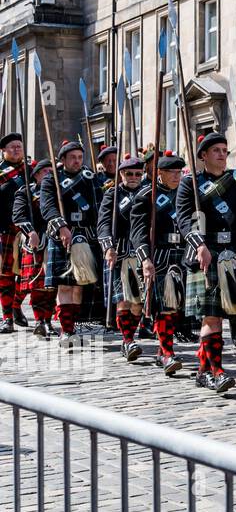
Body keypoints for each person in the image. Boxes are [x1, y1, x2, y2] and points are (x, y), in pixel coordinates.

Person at [176, 133, 236, 389]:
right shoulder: (190, 184)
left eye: (225, 150)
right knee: (211, 317)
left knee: (232, 315)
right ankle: (216, 371)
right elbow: (184, 219)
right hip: (207, 251)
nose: (221, 154)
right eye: (215, 150)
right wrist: (199, 245)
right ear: (203, 155)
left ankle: (204, 370)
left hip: (235, 254)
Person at [39, 139, 102, 349]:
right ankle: (66, 331)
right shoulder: (52, 180)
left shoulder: (91, 179)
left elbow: (99, 206)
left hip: (86, 235)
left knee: (79, 287)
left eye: (79, 157)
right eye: (72, 157)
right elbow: (47, 206)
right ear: (63, 159)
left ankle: (73, 327)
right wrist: (61, 226)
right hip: (62, 236)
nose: (77, 161)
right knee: (65, 286)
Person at [130, 151, 188, 378]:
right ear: (159, 173)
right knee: (165, 306)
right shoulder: (147, 195)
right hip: (160, 255)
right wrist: (145, 259)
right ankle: (167, 352)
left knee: (177, 308)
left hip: (183, 253)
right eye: (171, 172)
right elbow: (138, 232)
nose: (176, 176)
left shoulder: (187, 194)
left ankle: (162, 350)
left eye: (179, 172)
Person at [97, 153, 148, 360]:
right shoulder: (112, 195)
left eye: (138, 173)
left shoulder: (148, 193)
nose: (134, 177)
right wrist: (108, 247)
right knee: (124, 301)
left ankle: (131, 335)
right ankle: (127, 340)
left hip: (142, 251)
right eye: (129, 173)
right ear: (121, 174)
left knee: (138, 303)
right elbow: (103, 223)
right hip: (120, 250)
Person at [13, 159, 55, 337]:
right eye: (45, 171)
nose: (49, 175)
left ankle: (47, 320)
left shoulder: (58, 191)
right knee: (38, 286)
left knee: (53, 286)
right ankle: (39, 321)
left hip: (55, 239)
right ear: (36, 175)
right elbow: (18, 215)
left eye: (51, 171)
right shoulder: (26, 192)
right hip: (35, 241)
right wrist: (30, 232)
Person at [0, 131, 28, 333]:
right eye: (12, 147)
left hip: (28, 229)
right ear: (3, 151)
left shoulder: (32, 169)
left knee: (30, 275)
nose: (16, 149)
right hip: (5, 229)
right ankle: (7, 317)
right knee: (6, 276)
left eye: (19, 146)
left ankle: (17, 305)